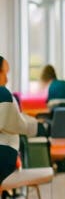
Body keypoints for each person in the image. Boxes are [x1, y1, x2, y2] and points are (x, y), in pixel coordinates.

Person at [0, 55, 46, 184]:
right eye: (4, 73)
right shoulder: (3, 94)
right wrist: (38, 126)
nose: (7, 79)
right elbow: (19, 124)